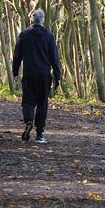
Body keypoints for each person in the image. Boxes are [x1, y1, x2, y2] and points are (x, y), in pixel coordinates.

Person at [11, 8, 62, 143]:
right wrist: (57, 77)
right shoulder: (49, 36)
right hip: (44, 75)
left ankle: (28, 121)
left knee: (28, 101)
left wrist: (15, 72)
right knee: (42, 103)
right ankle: (39, 134)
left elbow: (17, 56)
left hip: (29, 74)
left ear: (31, 20)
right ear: (43, 20)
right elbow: (54, 59)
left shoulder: (24, 35)